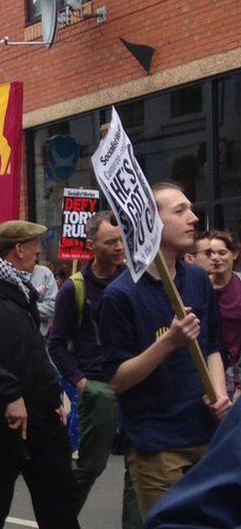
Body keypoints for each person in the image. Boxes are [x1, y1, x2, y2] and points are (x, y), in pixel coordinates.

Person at [100, 182, 232, 518]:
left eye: (190, 208)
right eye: (180, 211)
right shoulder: (120, 295)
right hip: (157, 444)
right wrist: (169, 342)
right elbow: (118, 380)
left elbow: (212, 346)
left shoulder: (198, 280)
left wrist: (218, 394)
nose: (193, 217)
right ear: (151, 222)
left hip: (207, 434)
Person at [0, 220, 79, 528]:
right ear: (19, 249)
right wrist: (10, 395)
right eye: (35, 246)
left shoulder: (21, 290)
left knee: (59, 501)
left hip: (41, 416)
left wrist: (54, 396)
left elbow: (33, 351)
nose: (40, 252)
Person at [47, 210, 141, 526]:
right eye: (110, 242)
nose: (119, 247)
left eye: (121, 240)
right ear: (92, 245)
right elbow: (56, 344)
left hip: (137, 386)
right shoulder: (74, 288)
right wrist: (82, 383)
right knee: (90, 467)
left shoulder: (134, 280)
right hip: (99, 390)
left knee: (138, 467)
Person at [208, 230, 241, 398]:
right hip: (207, 365)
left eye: (222, 252)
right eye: (210, 253)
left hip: (235, 366)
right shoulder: (200, 286)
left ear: (234, 254)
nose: (215, 258)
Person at [31, 262, 58, 336]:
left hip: (38, 335)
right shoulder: (8, 273)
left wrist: (28, 307)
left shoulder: (44, 273)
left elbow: (52, 307)